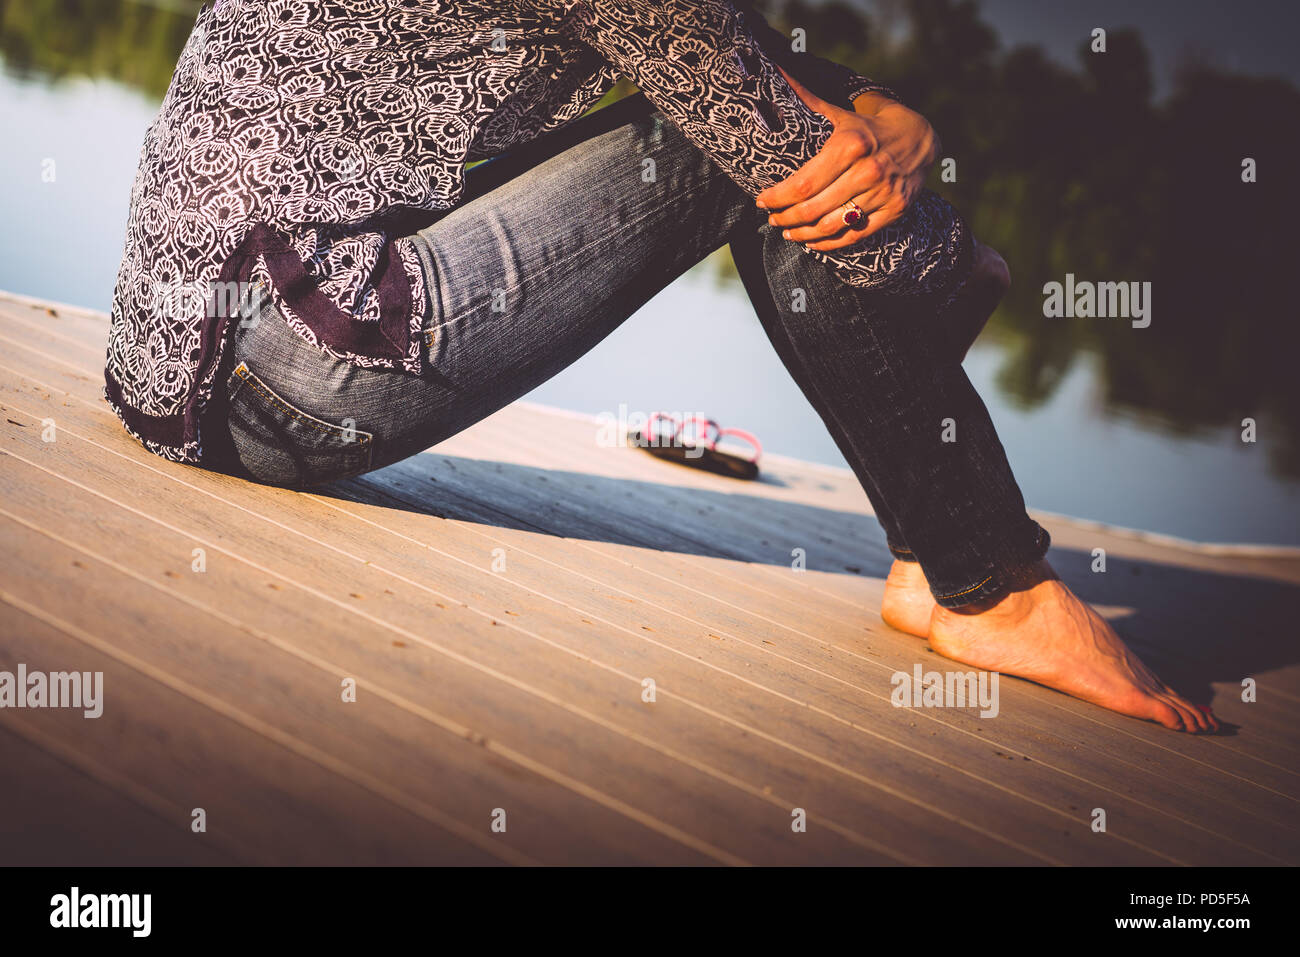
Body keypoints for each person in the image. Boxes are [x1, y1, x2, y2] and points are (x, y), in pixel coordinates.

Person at [104, 0, 1216, 732]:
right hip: (283, 370)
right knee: (754, 158)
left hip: (173, 358)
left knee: (755, 133)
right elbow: (782, 142)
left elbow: (725, 62)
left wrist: (875, 113)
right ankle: (988, 582)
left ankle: (952, 562)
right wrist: (956, 266)